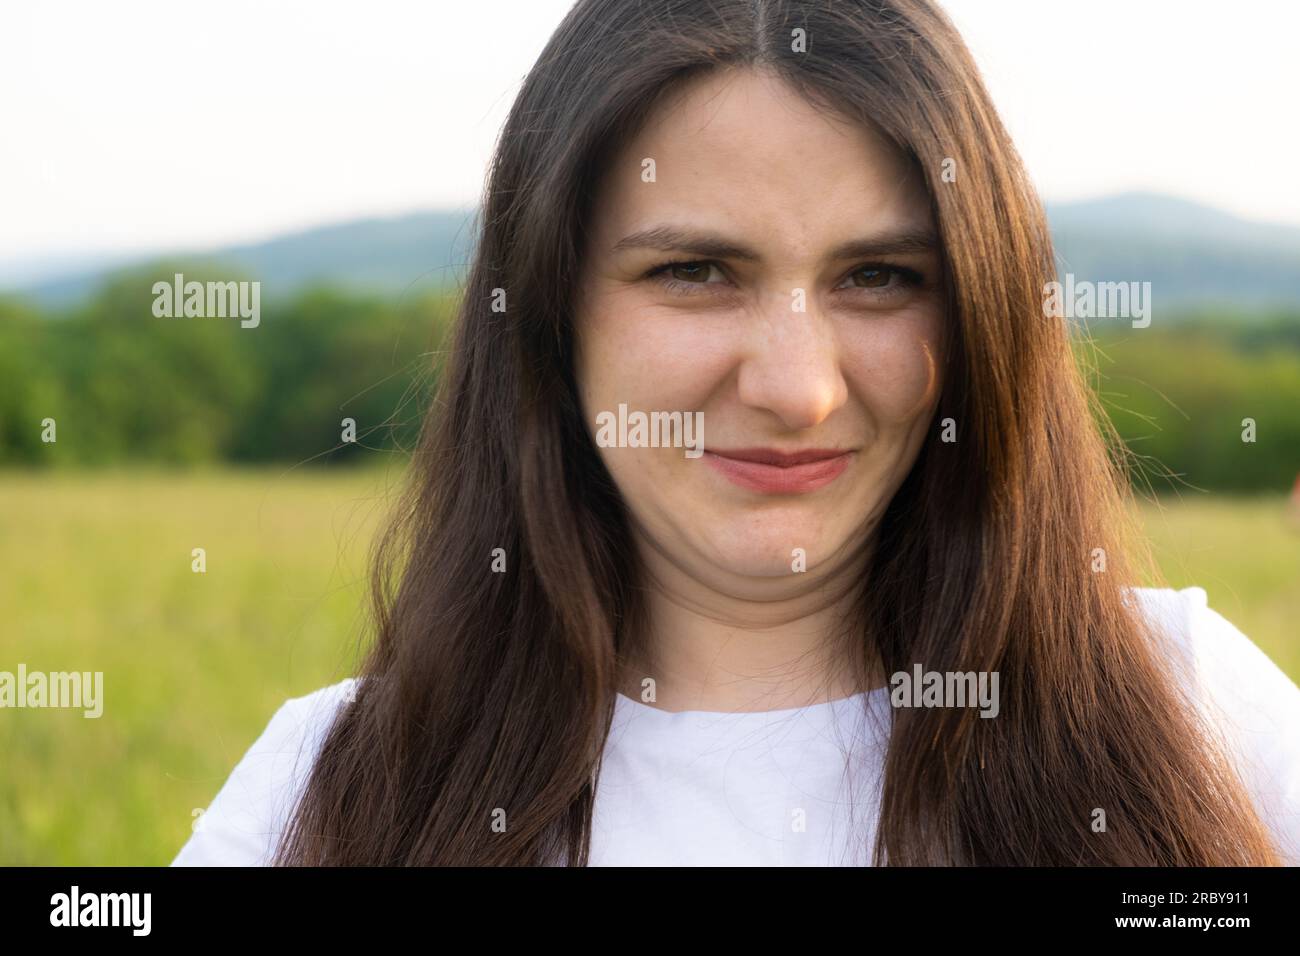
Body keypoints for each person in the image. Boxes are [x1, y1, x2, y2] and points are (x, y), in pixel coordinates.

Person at [174, 0, 1300, 866]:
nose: (798, 389)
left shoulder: (1188, 713)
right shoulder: (328, 793)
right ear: (551, 310)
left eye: (879, 276)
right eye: (696, 271)